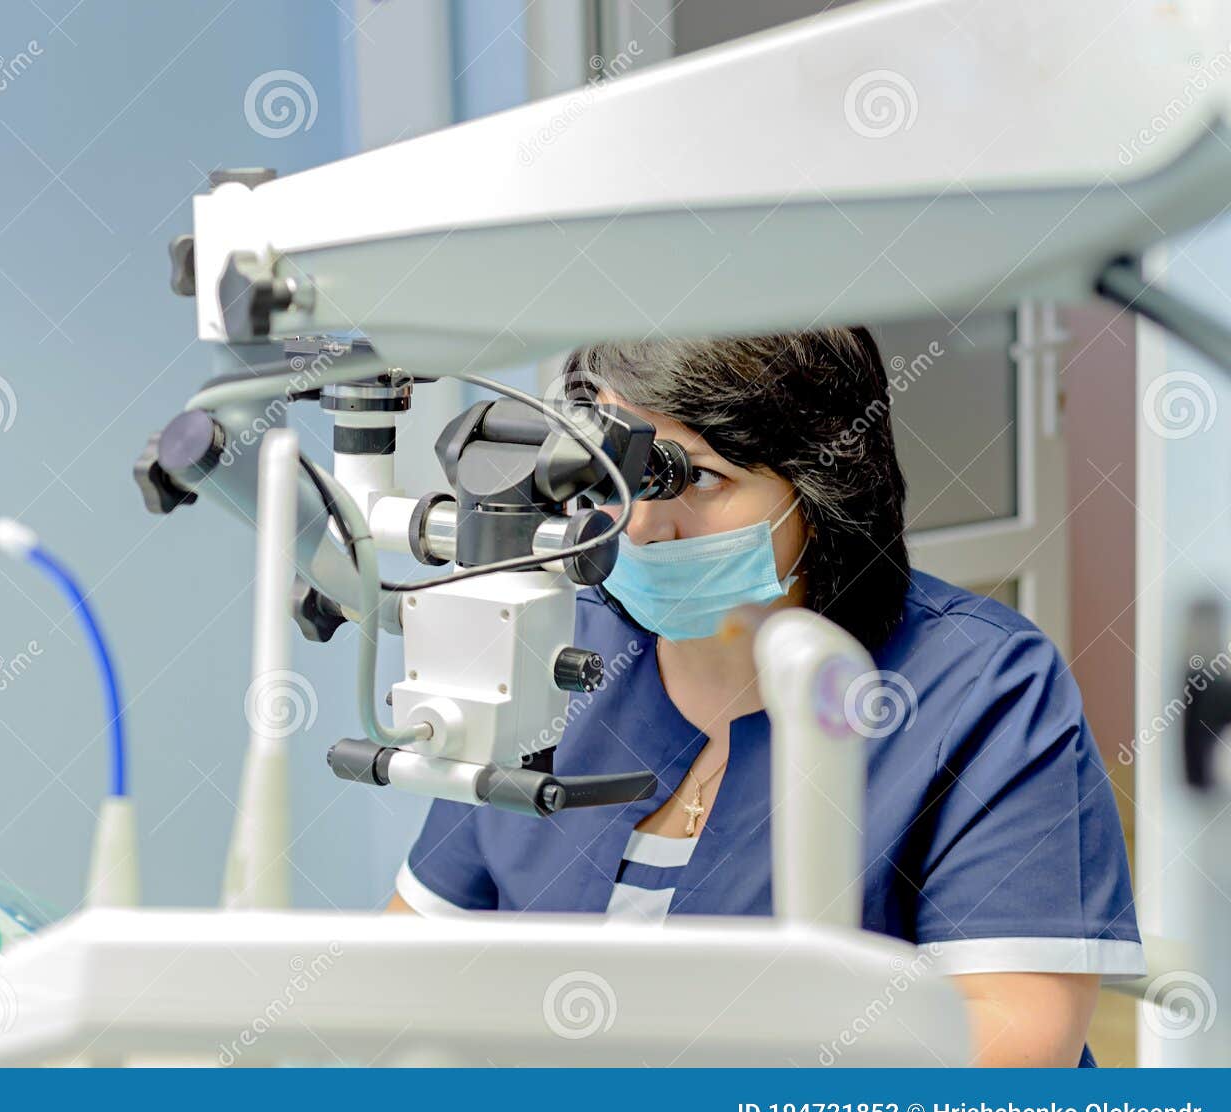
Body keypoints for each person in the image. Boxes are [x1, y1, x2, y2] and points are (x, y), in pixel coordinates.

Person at [389, 327, 1144, 1066]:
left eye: (699, 478)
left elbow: (1013, 1042)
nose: (645, 528)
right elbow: (413, 963)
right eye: (618, 477)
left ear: (818, 488)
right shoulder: (545, 647)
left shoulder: (984, 686)